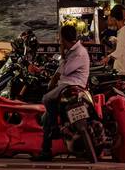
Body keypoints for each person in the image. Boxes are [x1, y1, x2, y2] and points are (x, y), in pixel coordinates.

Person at [38, 24, 90, 162]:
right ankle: (46, 149)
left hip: (72, 86)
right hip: (66, 85)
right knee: (45, 118)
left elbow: (65, 71)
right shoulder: (72, 51)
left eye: (61, 39)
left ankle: (54, 128)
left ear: (64, 38)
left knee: (46, 99)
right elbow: (60, 71)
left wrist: (62, 54)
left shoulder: (78, 52)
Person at [105, 5, 125, 79]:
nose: (108, 21)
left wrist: (108, 57)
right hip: (124, 70)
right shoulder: (123, 31)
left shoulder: (124, 32)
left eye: (110, 17)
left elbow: (120, 51)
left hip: (124, 72)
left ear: (114, 18)